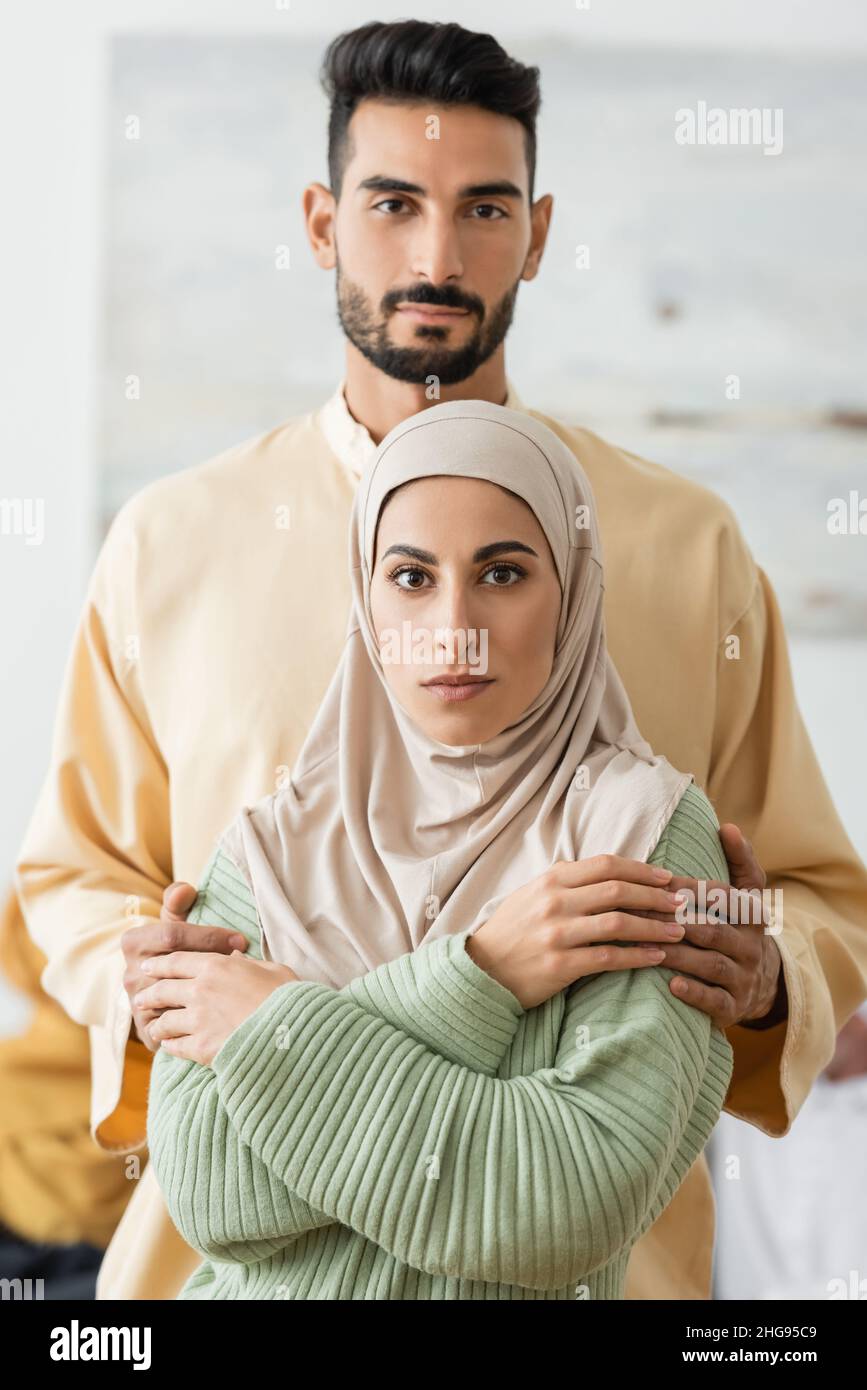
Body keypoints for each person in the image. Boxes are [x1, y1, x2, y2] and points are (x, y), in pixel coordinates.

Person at [11, 20, 867, 1302]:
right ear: (320, 223)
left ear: (539, 232)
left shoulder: (688, 549)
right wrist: (139, 968)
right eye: (393, 204)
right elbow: (77, 874)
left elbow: (809, 890)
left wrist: (766, 974)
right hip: (235, 1254)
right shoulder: (168, 545)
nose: (436, 258)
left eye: (484, 209)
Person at [139, 400, 735, 1300]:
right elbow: (210, 1193)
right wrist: (482, 973)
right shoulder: (268, 844)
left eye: (502, 573)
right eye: (412, 577)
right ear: (366, 596)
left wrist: (270, 1024)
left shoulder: (641, 832)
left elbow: (563, 1205)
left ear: (571, 590)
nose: (454, 627)